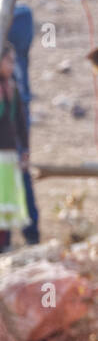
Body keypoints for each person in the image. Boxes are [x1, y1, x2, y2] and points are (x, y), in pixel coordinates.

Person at [0, 43, 31, 245]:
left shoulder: (13, 88)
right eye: (8, 60)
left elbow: (20, 122)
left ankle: (5, 244)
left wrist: (25, 149)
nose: (12, 65)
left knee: (7, 202)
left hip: (10, 154)